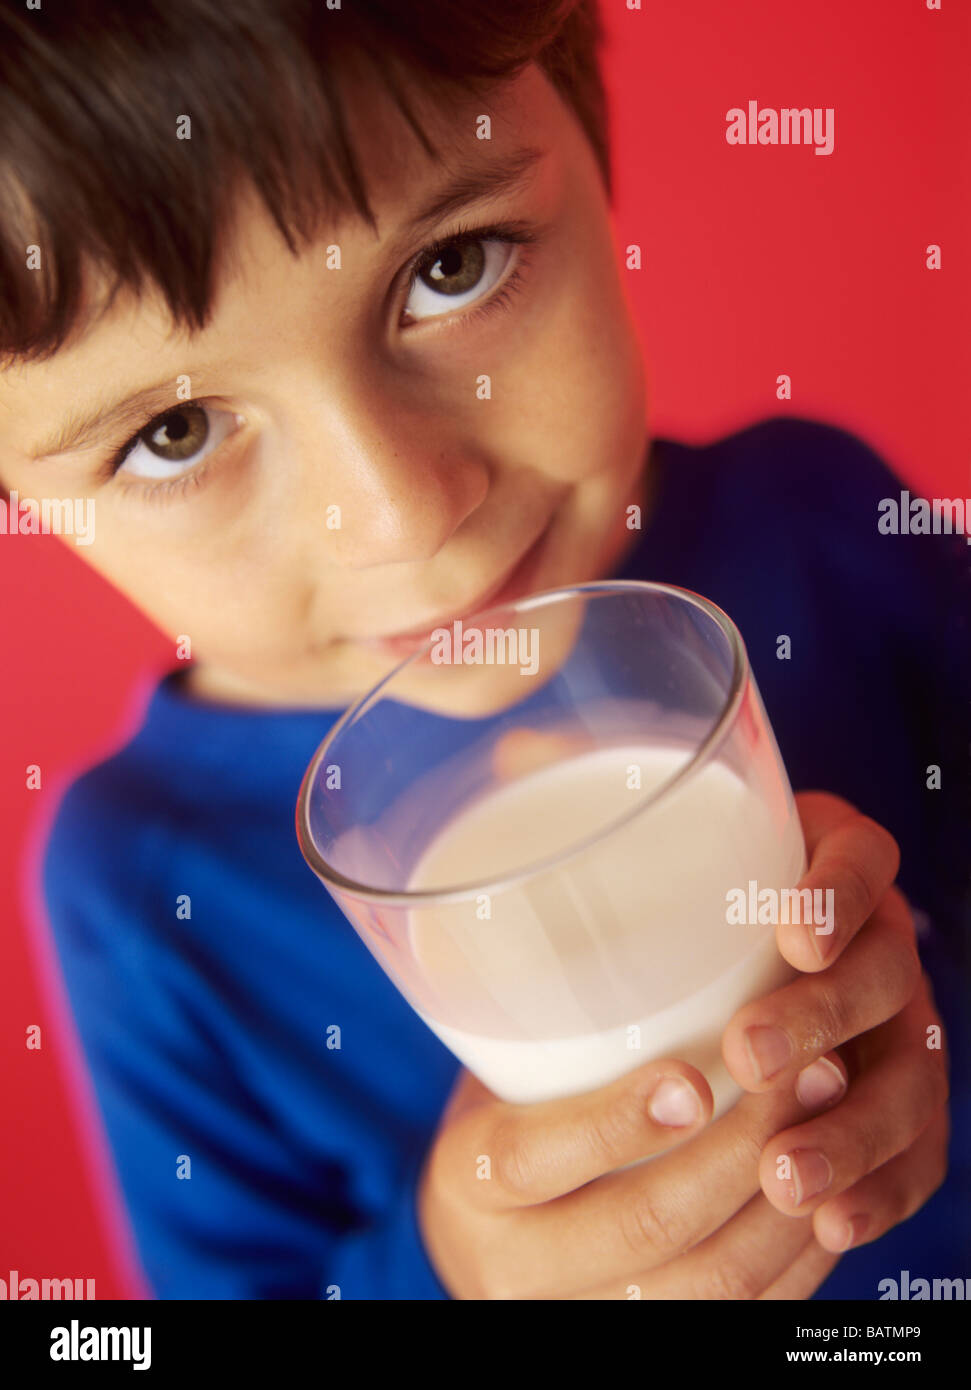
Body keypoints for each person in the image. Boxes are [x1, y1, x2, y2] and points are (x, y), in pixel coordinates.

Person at [1, 0, 966, 1299]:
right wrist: (458, 1275)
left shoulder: (828, 526)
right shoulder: (140, 890)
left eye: (450, 268)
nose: (406, 515)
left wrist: (933, 1010)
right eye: (172, 435)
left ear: (593, 140)